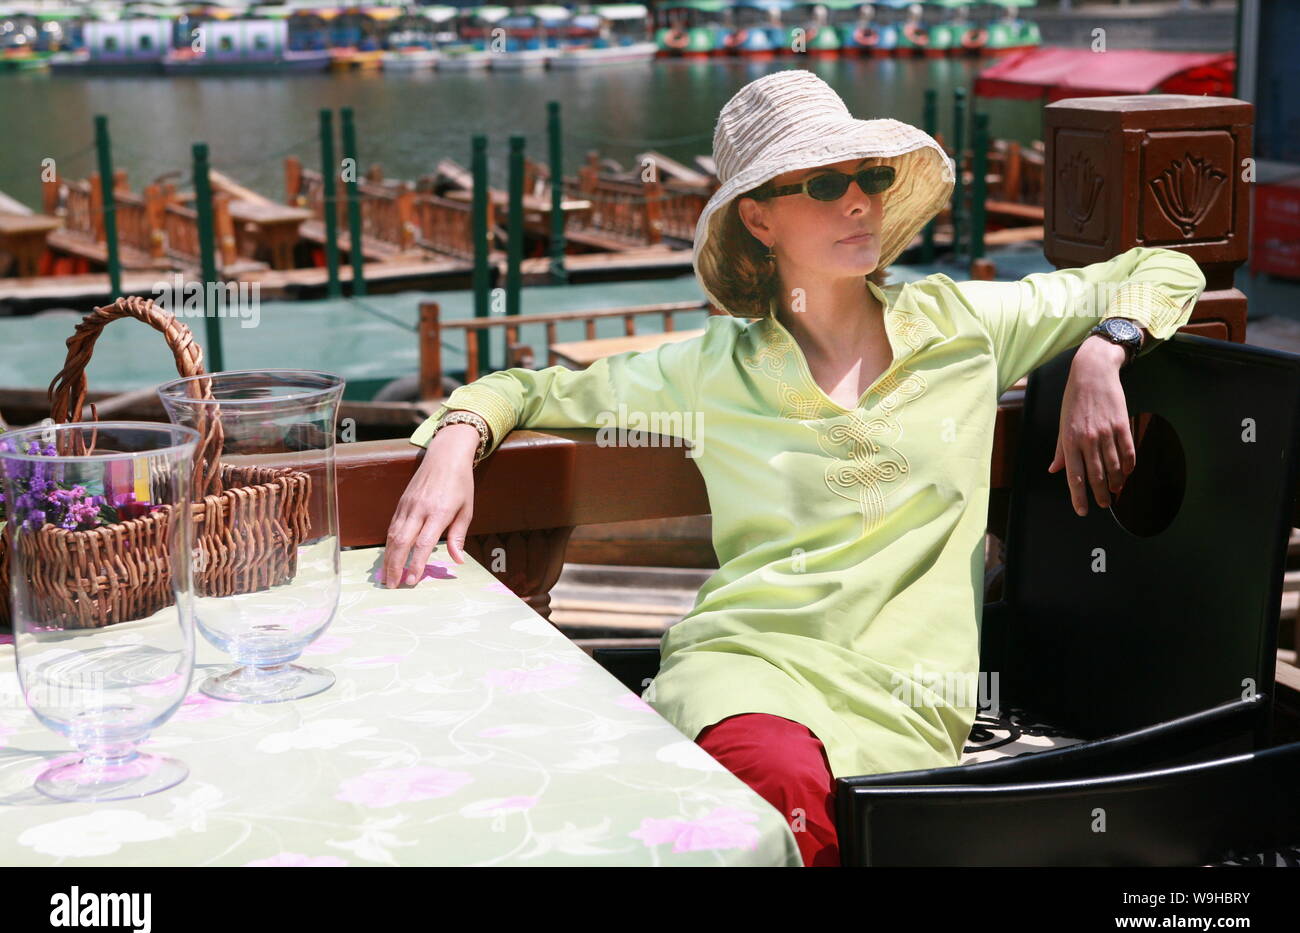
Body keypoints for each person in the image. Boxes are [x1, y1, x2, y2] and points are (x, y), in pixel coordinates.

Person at [383, 70, 1207, 867]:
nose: (858, 200)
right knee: (773, 788)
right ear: (759, 220)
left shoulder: (966, 325)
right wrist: (454, 442)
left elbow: (1163, 266)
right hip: (749, 670)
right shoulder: (711, 368)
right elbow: (527, 387)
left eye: (870, 175)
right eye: (820, 183)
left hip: (908, 699)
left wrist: (1108, 347)